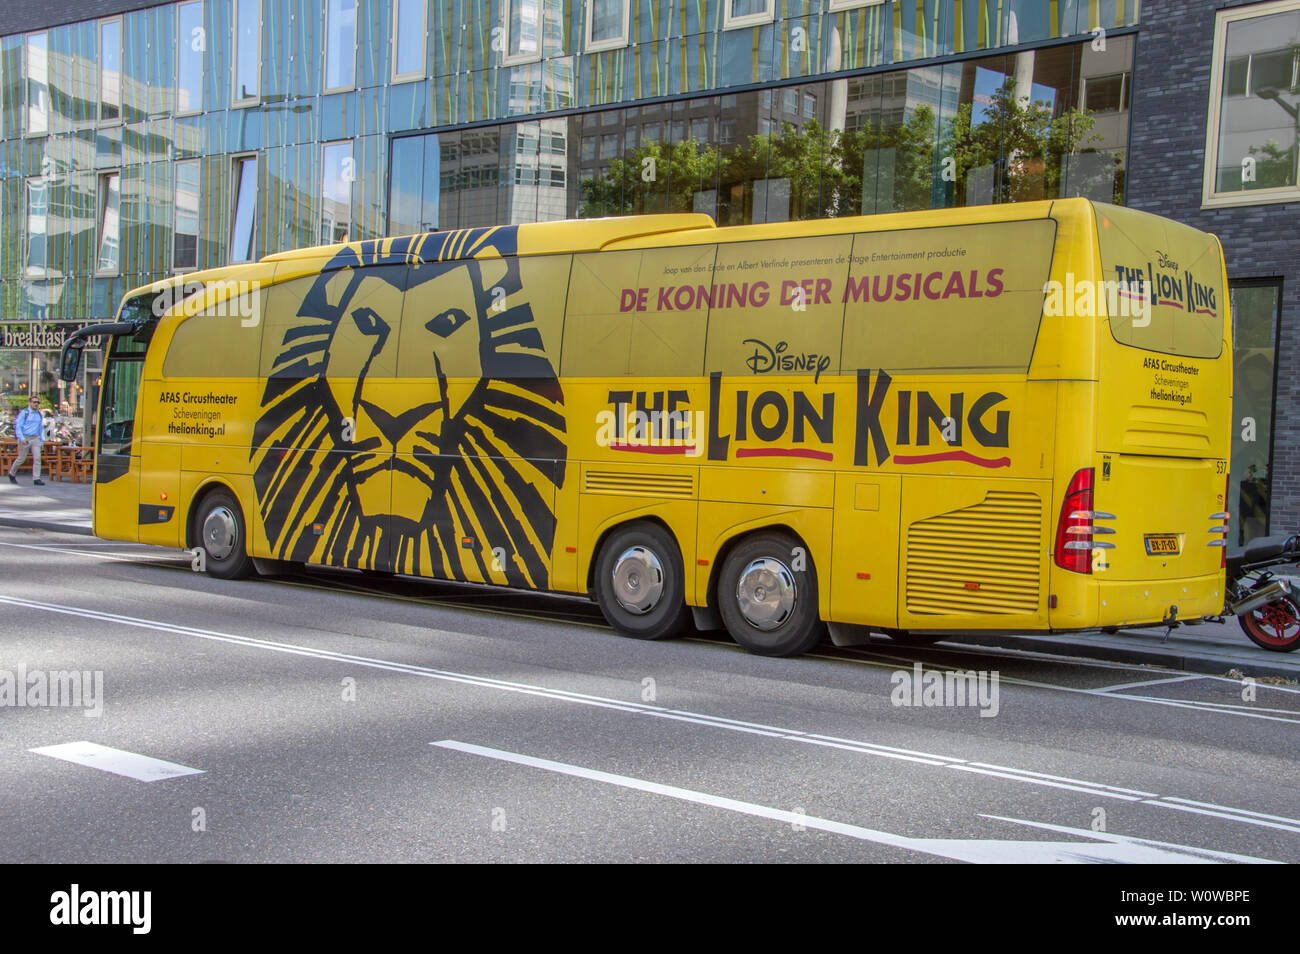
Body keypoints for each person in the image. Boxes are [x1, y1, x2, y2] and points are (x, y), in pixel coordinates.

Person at [8, 397, 45, 486]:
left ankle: (36, 478)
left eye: (37, 402)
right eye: (34, 402)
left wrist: (42, 441)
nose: (36, 404)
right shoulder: (24, 413)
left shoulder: (39, 414)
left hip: (35, 438)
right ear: (30, 403)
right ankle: (11, 473)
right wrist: (22, 438)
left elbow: (41, 428)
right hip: (25, 437)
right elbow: (18, 427)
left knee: (37, 458)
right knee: (21, 458)